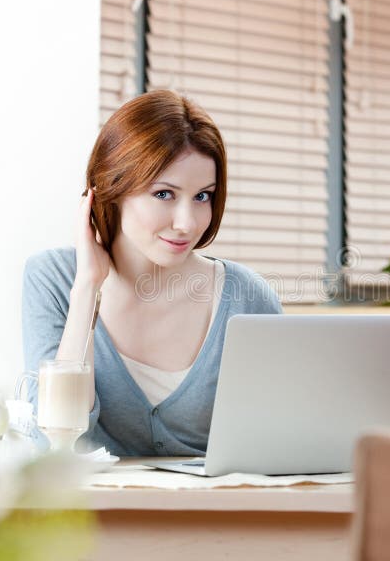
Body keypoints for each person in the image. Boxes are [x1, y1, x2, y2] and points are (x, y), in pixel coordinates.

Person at [22, 89, 282, 456]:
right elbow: (51, 444)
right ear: (111, 189)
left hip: (213, 512)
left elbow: (285, 439)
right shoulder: (53, 278)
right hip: (93, 513)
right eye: (164, 194)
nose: (186, 223)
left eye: (202, 196)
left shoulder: (246, 296)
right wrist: (86, 289)